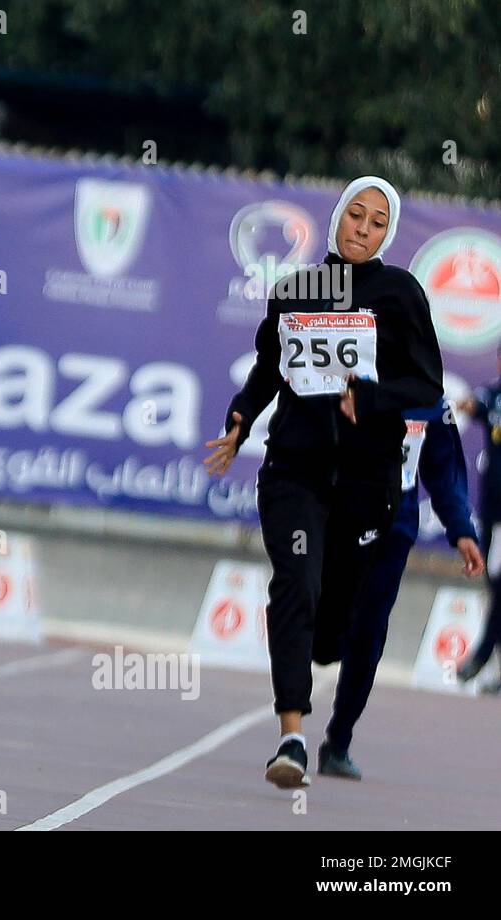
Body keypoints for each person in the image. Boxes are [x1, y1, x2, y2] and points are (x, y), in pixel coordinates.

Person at [205, 176, 445, 788]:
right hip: (295, 470)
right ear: (337, 217)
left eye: (375, 223)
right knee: (296, 584)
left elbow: (426, 390)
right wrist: (239, 421)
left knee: (334, 620)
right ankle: (291, 738)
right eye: (354, 216)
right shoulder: (296, 290)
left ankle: (323, 641)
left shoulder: (399, 294)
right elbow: (267, 369)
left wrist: (373, 396)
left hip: (367, 485)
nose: (361, 230)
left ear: (387, 234)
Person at [318, 399, 483, 779]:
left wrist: (461, 530)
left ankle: (338, 741)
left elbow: (444, 470)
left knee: (370, 630)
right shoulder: (351, 377)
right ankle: (325, 642)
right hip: (342, 513)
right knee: (328, 636)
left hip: (396, 522)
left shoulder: (429, 398)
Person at [456, 364, 501, 690]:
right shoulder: (494, 394)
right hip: (492, 508)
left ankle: (483, 655)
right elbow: (475, 403)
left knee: (500, 586)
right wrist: (469, 404)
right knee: (494, 583)